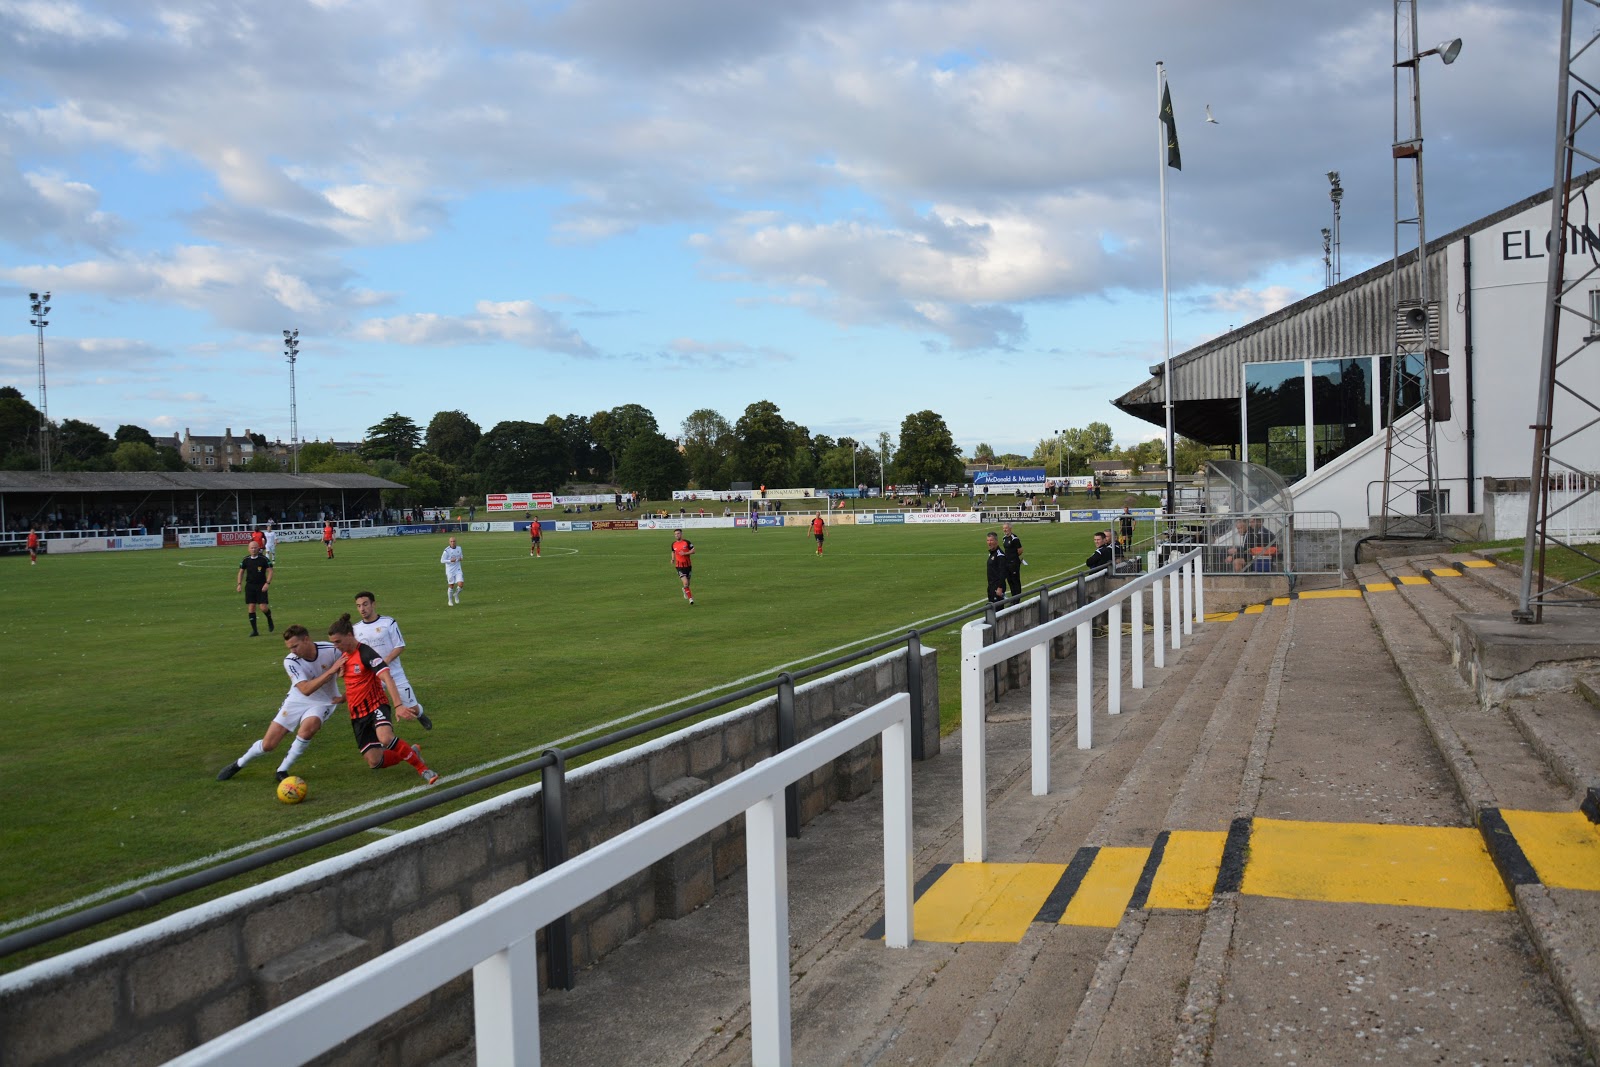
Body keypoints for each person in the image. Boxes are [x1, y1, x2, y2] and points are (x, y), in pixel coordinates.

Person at [217, 625, 345, 783]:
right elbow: (305, 689)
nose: (293, 651)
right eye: (290, 647)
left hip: (324, 702)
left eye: (295, 646)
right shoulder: (291, 661)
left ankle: (282, 770)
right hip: (297, 700)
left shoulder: (331, 650)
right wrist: (332, 671)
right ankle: (239, 764)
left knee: (307, 730)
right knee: (268, 745)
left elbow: (348, 668)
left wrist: (345, 687)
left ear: (306, 639)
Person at [327, 614, 439, 785]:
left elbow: (387, 677)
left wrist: (399, 705)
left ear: (350, 635)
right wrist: (342, 698)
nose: (336, 646)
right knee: (374, 761)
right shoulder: (343, 657)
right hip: (357, 714)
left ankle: (423, 769)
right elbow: (354, 684)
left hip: (375, 705)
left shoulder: (366, 653)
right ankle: (412, 752)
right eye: (334, 642)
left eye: (338, 641)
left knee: (385, 738)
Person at [353, 590, 433, 729]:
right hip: (372, 678)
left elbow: (400, 646)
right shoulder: (355, 629)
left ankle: (420, 714)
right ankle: (382, 738)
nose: (362, 609)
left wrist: (386, 661)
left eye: (365, 604)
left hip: (394, 673)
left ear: (373, 604)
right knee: (372, 711)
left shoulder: (388, 623)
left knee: (411, 709)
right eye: (358, 606)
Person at [237, 541, 275, 637]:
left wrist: (267, 583)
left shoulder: (263, 559)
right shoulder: (245, 560)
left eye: (255, 548)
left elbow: (270, 571)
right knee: (251, 607)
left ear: (258, 548)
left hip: (261, 586)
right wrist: (239, 584)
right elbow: (241, 572)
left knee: (263, 607)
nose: (253, 549)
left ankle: (269, 619)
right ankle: (255, 631)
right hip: (250, 586)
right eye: (251, 548)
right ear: (248, 549)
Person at [671, 529, 696, 604]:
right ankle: (690, 599)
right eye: (675, 534)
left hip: (688, 566)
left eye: (678, 533)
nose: (677, 535)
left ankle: (685, 590)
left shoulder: (687, 542)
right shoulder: (673, 544)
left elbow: (693, 551)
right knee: (685, 583)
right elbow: (673, 551)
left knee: (688, 584)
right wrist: (672, 559)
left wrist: (685, 553)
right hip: (679, 566)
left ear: (681, 534)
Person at [1001, 522, 1025, 597]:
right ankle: (1013, 597)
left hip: (1014, 563)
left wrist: (1013, 557)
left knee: (1015, 580)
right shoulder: (1004, 538)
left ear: (1010, 528)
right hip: (1007, 563)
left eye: (1006, 528)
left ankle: (1017, 599)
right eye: (1004, 528)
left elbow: (1020, 550)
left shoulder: (1014, 538)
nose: (1005, 530)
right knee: (1010, 580)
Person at [440, 536, 465, 605]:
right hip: (450, 570)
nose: (452, 543)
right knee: (451, 585)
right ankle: (450, 600)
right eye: (451, 541)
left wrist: (461, 558)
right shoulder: (446, 551)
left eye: (454, 541)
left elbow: (461, 556)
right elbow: (442, 560)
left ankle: (456, 594)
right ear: (449, 542)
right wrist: (450, 560)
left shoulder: (459, 548)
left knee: (461, 584)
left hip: (457, 569)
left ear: (455, 542)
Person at [985, 532, 1007, 603]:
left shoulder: (1000, 555)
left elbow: (1003, 572)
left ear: (996, 541)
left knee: (998, 611)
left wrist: (1000, 587)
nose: (989, 543)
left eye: (991, 540)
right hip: (991, 586)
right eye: (988, 540)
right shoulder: (991, 554)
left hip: (997, 588)